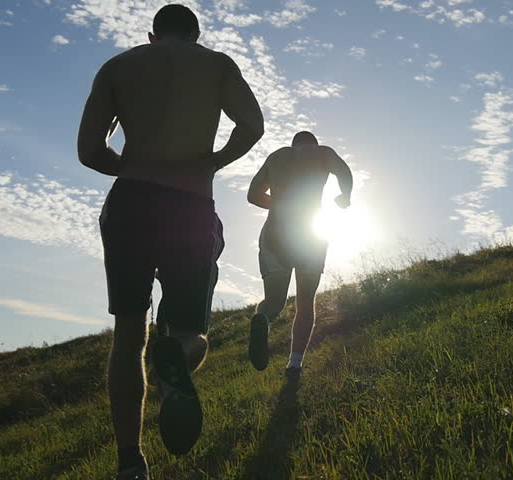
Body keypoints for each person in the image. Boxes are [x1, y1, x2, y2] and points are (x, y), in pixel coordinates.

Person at [77, 4, 263, 479]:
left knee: (128, 336)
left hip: (131, 205)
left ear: (151, 34)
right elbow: (253, 126)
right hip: (189, 204)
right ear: (196, 35)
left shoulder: (118, 67)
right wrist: (214, 161)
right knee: (190, 333)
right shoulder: (217, 65)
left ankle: (130, 464)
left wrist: (134, 169)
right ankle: (174, 362)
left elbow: (88, 150)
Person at [247, 131, 353, 380]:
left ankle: (262, 318)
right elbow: (344, 171)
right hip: (310, 234)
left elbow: (253, 195)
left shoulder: (276, 157)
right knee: (305, 302)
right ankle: (294, 364)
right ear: (312, 143)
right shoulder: (323, 153)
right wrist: (345, 195)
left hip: (275, 233)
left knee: (274, 301)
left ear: (293, 144)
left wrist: (282, 204)